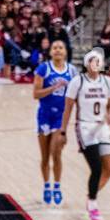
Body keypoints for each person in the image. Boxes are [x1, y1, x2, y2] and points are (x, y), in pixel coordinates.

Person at [59, 47, 110, 220]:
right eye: (93, 61)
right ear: (87, 64)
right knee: (97, 168)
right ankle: (93, 205)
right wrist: (63, 132)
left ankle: (91, 195)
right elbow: (68, 108)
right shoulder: (78, 82)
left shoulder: (108, 82)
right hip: (85, 127)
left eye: (98, 61)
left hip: (102, 128)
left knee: (109, 169)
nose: (96, 64)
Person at [31, 37, 76, 206]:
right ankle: (46, 186)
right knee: (44, 157)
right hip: (44, 115)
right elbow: (35, 94)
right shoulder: (43, 69)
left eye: (60, 47)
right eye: (55, 47)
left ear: (65, 52)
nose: (57, 50)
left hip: (60, 117)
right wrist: (53, 88)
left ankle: (57, 186)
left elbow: (76, 95)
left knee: (56, 153)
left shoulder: (72, 71)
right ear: (50, 52)